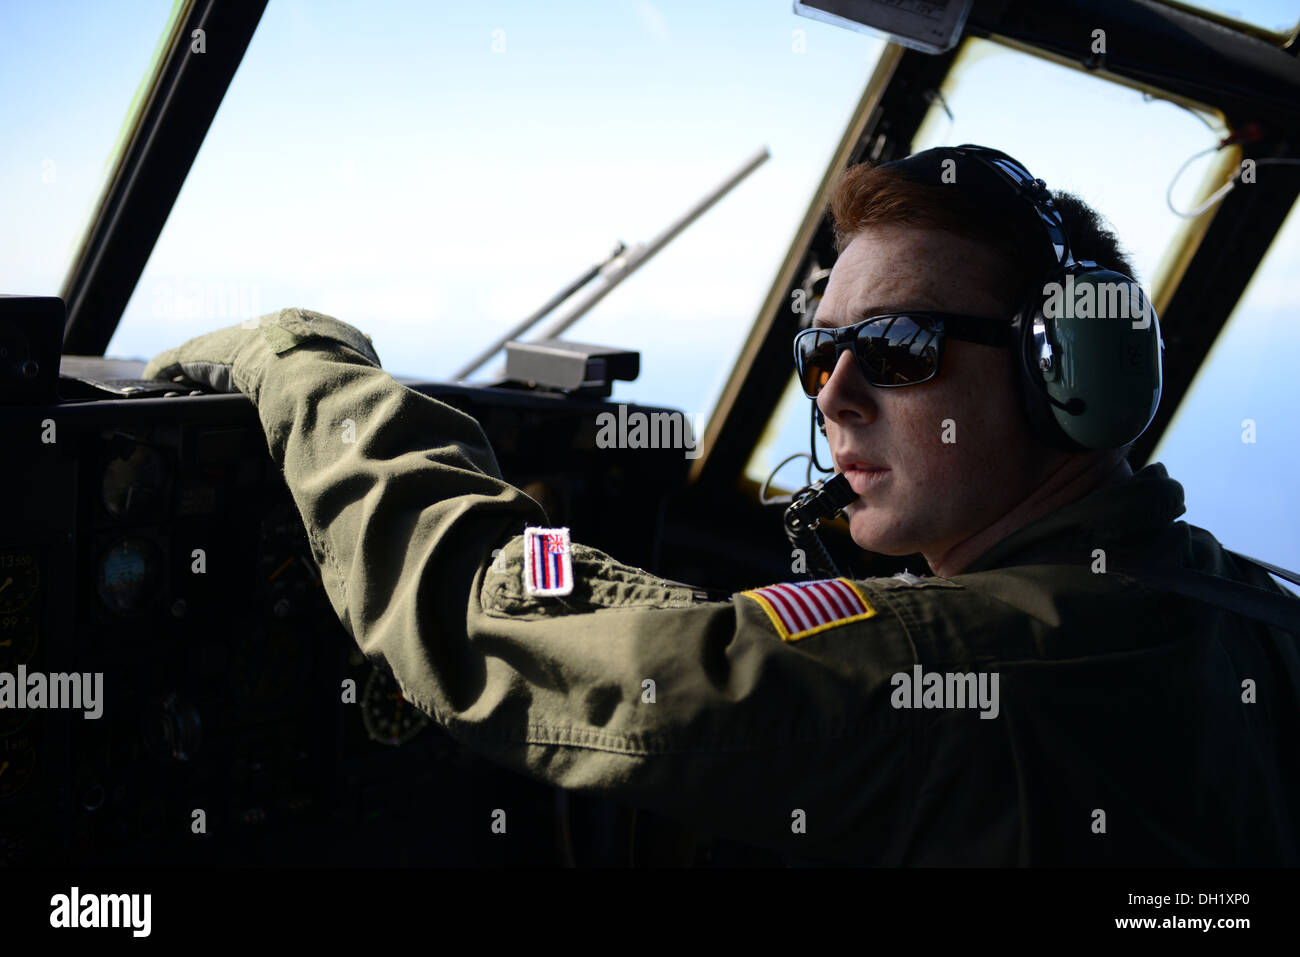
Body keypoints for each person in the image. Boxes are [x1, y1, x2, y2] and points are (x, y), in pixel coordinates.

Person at [143, 145, 1300, 866]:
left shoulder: (971, 665)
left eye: (898, 348)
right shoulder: (1239, 611)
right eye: (817, 349)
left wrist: (300, 360)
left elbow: (492, 617)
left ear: (1070, 381)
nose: (833, 396)